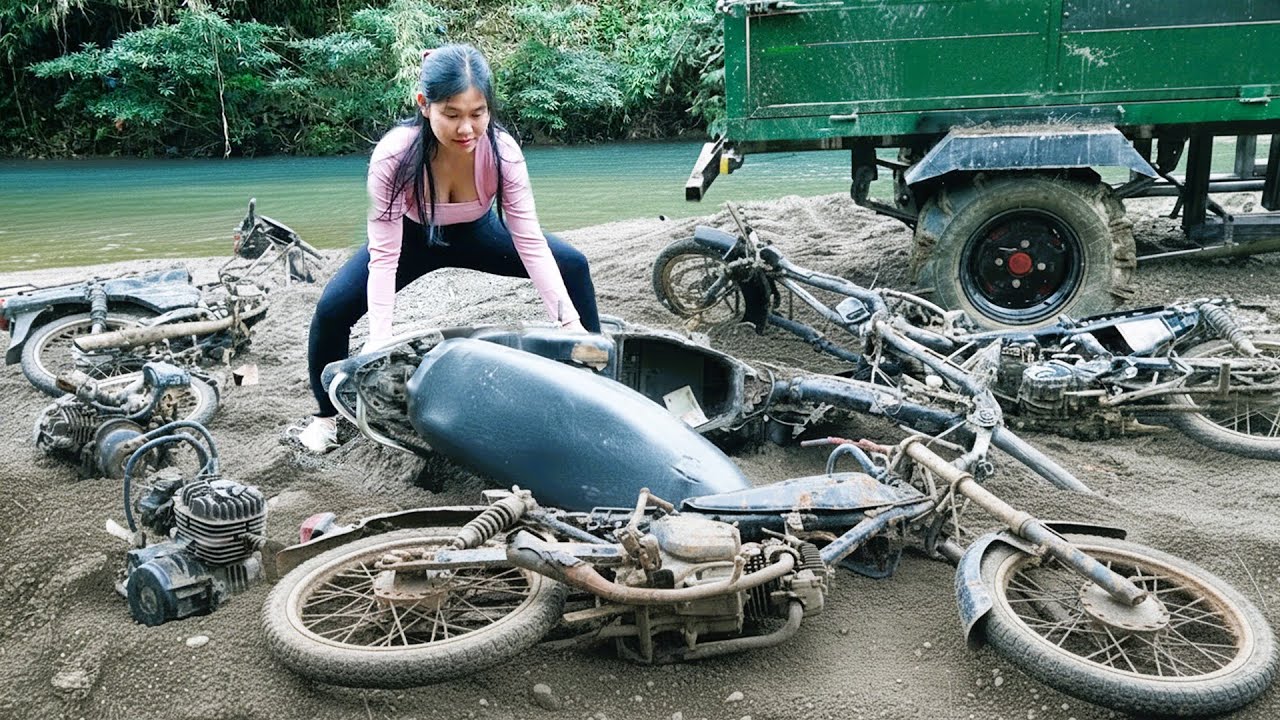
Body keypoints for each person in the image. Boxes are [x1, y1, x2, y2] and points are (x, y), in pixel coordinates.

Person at [292, 43, 602, 453]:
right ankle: (324, 418)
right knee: (331, 311)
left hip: (478, 234)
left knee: (573, 265)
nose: (466, 129)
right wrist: (380, 338)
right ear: (425, 105)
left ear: (490, 108)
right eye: (451, 115)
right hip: (411, 240)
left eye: (478, 114)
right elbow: (384, 254)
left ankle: (595, 376)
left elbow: (528, 239)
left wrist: (568, 324)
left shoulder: (503, 152)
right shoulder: (394, 154)